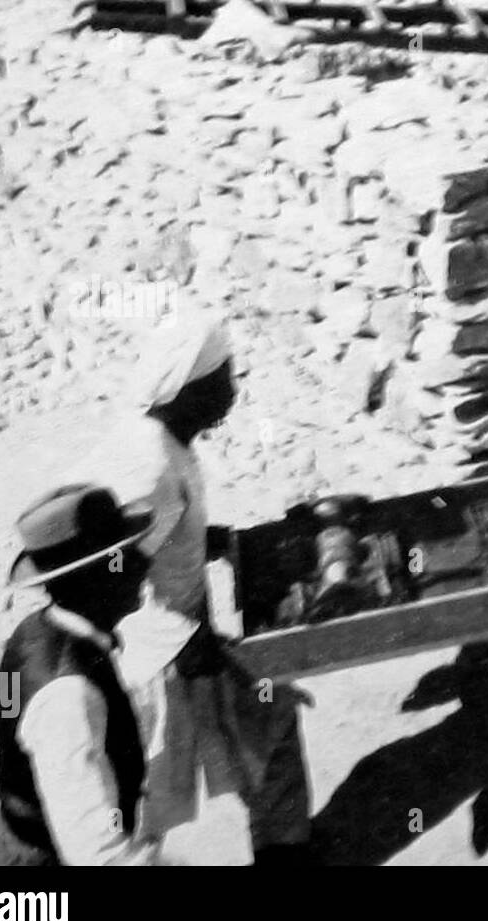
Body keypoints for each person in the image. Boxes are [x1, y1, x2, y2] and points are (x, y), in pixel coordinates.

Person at [71, 304, 311, 865]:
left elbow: (163, 535)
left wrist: (215, 542)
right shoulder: (148, 465)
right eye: (222, 378)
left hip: (183, 638)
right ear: (187, 387)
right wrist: (183, 641)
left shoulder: (166, 441)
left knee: (271, 724)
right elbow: (109, 573)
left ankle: (286, 855)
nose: (232, 390)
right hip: (153, 658)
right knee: (144, 789)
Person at [0, 484, 161, 866]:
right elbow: (96, 854)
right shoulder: (66, 694)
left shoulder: (39, 630)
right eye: (122, 557)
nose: (143, 564)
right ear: (90, 579)